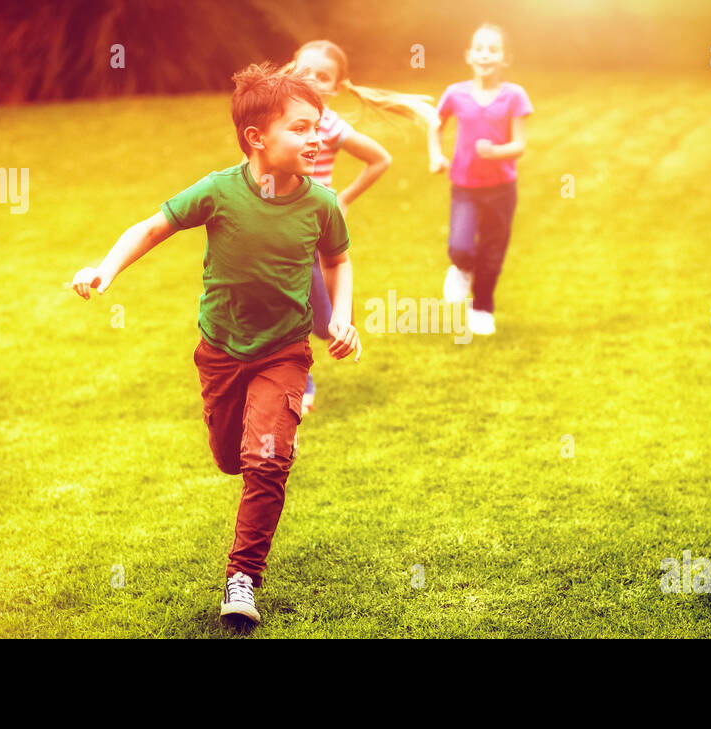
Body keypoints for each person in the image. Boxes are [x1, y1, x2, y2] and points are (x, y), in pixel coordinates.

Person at [70, 63, 360, 627]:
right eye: (301, 128)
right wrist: (106, 269)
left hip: (285, 351)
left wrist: (341, 319)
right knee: (233, 458)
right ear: (257, 138)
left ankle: (243, 577)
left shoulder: (321, 204)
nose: (317, 138)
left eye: (319, 127)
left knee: (266, 463)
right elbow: (152, 227)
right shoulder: (219, 191)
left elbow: (338, 262)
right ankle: (265, 445)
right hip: (222, 351)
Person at [286, 39, 435, 415]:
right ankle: (300, 384)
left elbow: (380, 159)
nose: (312, 80)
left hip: (313, 229)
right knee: (286, 308)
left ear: (335, 87)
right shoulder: (275, 115)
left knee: (325, 324)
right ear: (291, 69)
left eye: (323, 76)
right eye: (305, 71)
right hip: (276, 232)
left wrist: (344, 198)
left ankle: (338, 315)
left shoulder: (330, 124)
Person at [429, 23, 532, 336]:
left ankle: (483, 308)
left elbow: (520, 145)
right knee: (460, 245)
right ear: (468, 55)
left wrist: (495, 152)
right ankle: (461, 267)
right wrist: (435, 155)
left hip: (501, 189)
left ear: (505, 58)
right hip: (464, 186)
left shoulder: (514, 96)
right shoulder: (455, 93)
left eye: (493, 49)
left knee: (492, 251)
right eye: (479, 48)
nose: (485, 54)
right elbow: (435, 125)